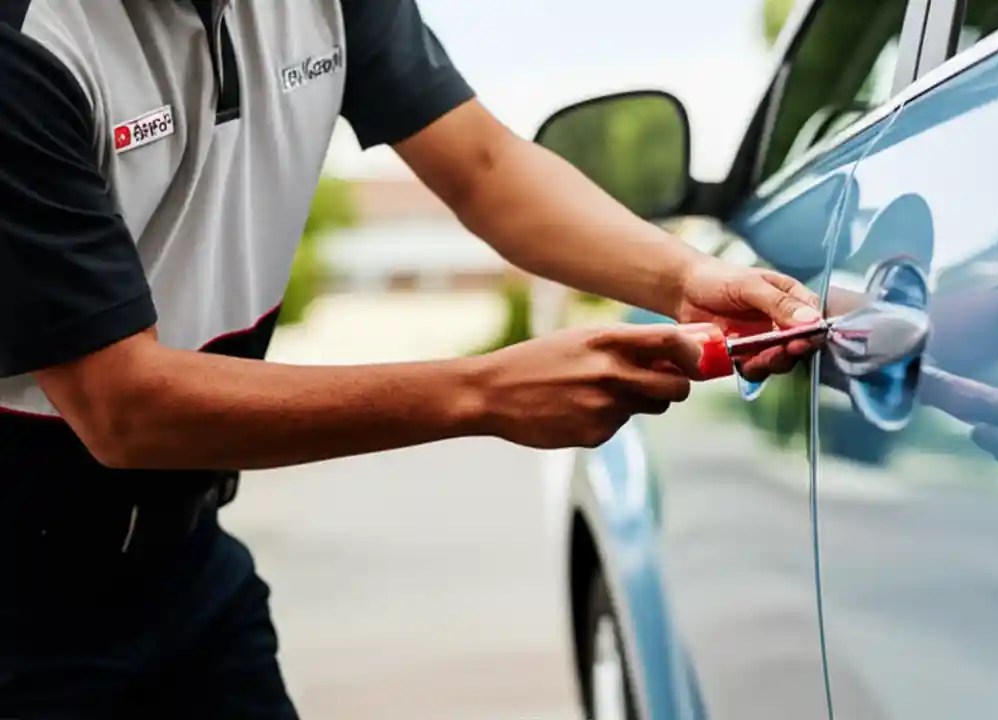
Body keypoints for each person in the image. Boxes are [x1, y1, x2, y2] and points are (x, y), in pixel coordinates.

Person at [0, 1, 820, 717]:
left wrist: (687, 276)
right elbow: (124, 408)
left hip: (182, 570)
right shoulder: (27, 41)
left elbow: (483, 167)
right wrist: (484, 393)